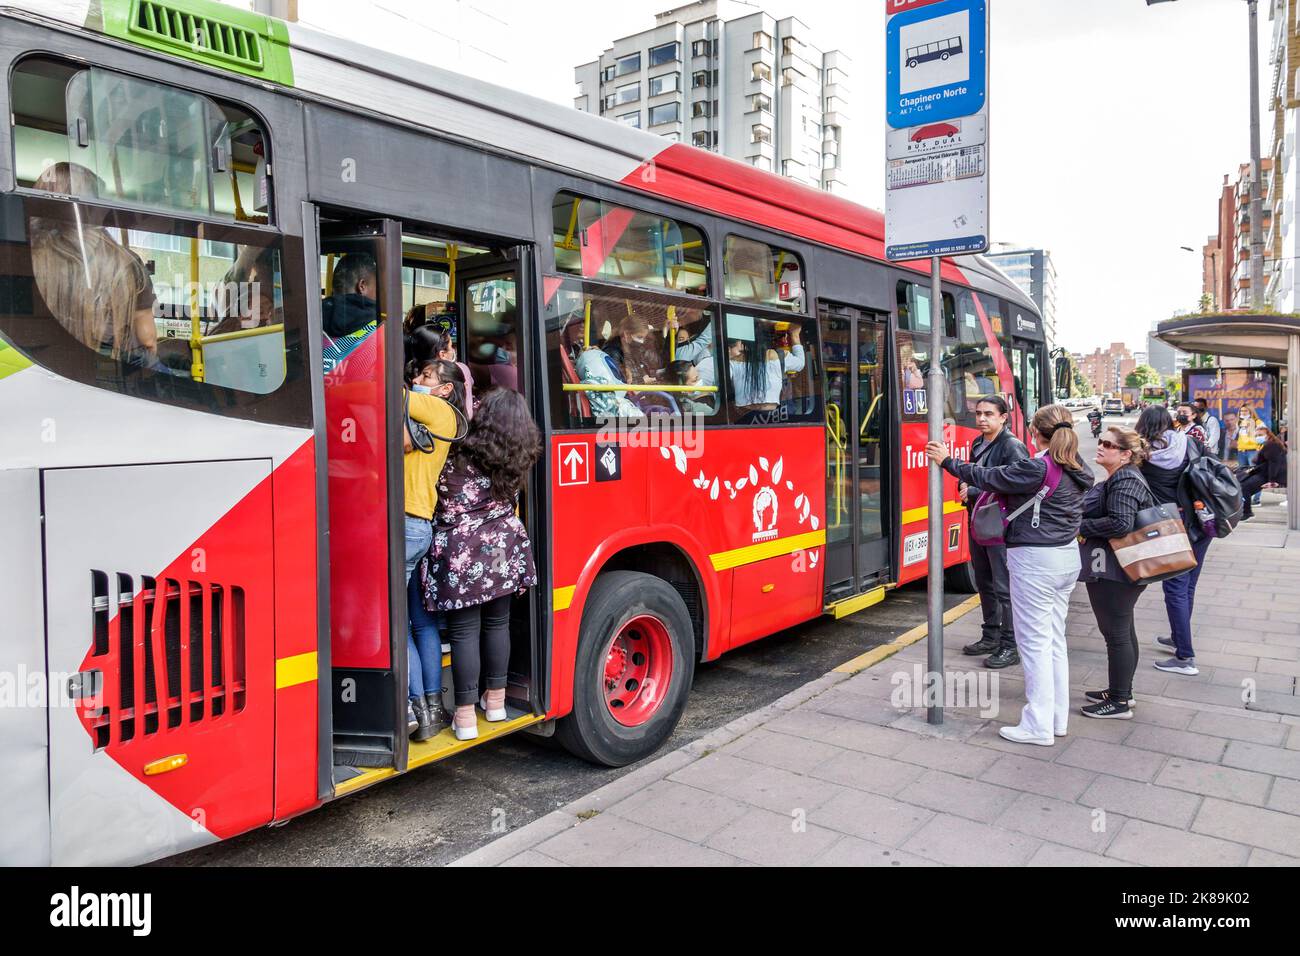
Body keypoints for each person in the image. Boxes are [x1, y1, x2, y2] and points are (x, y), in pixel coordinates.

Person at [926, 405, 1094, 745]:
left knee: (1033, 645)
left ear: (1034, 432)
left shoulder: (1038, 467)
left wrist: (946, 461)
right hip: (1066, 559)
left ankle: (1038, 726)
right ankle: (1057, 718)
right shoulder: (1078, 466)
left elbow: (988, 477)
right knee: (1054, 641)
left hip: (1036, 561)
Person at [425, 389, 541, 741]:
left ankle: (464, 717)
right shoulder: (516, 456)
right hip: (504, 546)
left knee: (463, 634)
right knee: (498, 625)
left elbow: (440, 501)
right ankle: (496, 703)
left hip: (462, 549)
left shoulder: (457, 454)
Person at [1077, 426, 1155, 719]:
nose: (1100, 447)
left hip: (1117, 569)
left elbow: (1120, 524)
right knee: (1123, 631)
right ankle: (1122, 691)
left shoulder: (1124, 480)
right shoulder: (1120, 476)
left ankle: (1119, 701)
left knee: (1117, 634)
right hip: (1117, 567)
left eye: (1107, 444)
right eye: (1100, 442)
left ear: (1125, 454)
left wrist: (1080, 528)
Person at [402, 361, 460, 740]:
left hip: (401, 526)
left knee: (395, 624)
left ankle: (413, 708)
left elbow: (390, 392)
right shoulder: (448, 418)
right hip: (420, 525)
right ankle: (434, 708)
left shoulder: (437, 409)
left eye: (426, 377)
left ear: (445, 389)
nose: (417, 381)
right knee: (421, 622)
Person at [1136, 405, 1210, 676]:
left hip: (1171, 526)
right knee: (1188, 586)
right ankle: (1180, 637)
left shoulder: (1142, 456)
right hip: (1201, 522)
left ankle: (1185, 657)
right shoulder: (1190, 442)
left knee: (1175, 589)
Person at [959, 396, 1029, 669]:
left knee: (1004, 588)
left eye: (989, 413)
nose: (981, 419)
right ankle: (990, 636)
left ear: (1003, 417)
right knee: (984, 582)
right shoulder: (978, 443)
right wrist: (965, 486)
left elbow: (1017, 483)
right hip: (978, 522)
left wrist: (974, 489)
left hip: (999, 528)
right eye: (978, 414)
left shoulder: (1012, 447)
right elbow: (970, 473)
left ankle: (1010, 646)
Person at [728, 325, 805, 411]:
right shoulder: (779, 355)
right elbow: (800, 363)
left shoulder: (733, 361)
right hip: (771, 416)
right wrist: (795, 335)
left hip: (744, 416)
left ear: (744, 342)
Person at [322, 252, 378, 338]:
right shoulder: (379, 327)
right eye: (376, 287)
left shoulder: (313, 317)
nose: (378, 294)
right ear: (362, 286)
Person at [1240, 425, 1287, 519]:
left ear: (1267, 434)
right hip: (1264, 473)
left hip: (1268, 475)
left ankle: (1247, 512)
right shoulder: (1268, 444)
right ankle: (1245, 510)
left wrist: (1271, 481)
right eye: (1256, 435)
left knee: (1244, 487)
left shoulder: (1271, 445)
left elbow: (1274, 463)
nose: (1258, 437)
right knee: (1243, 485)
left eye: (1260, 435)